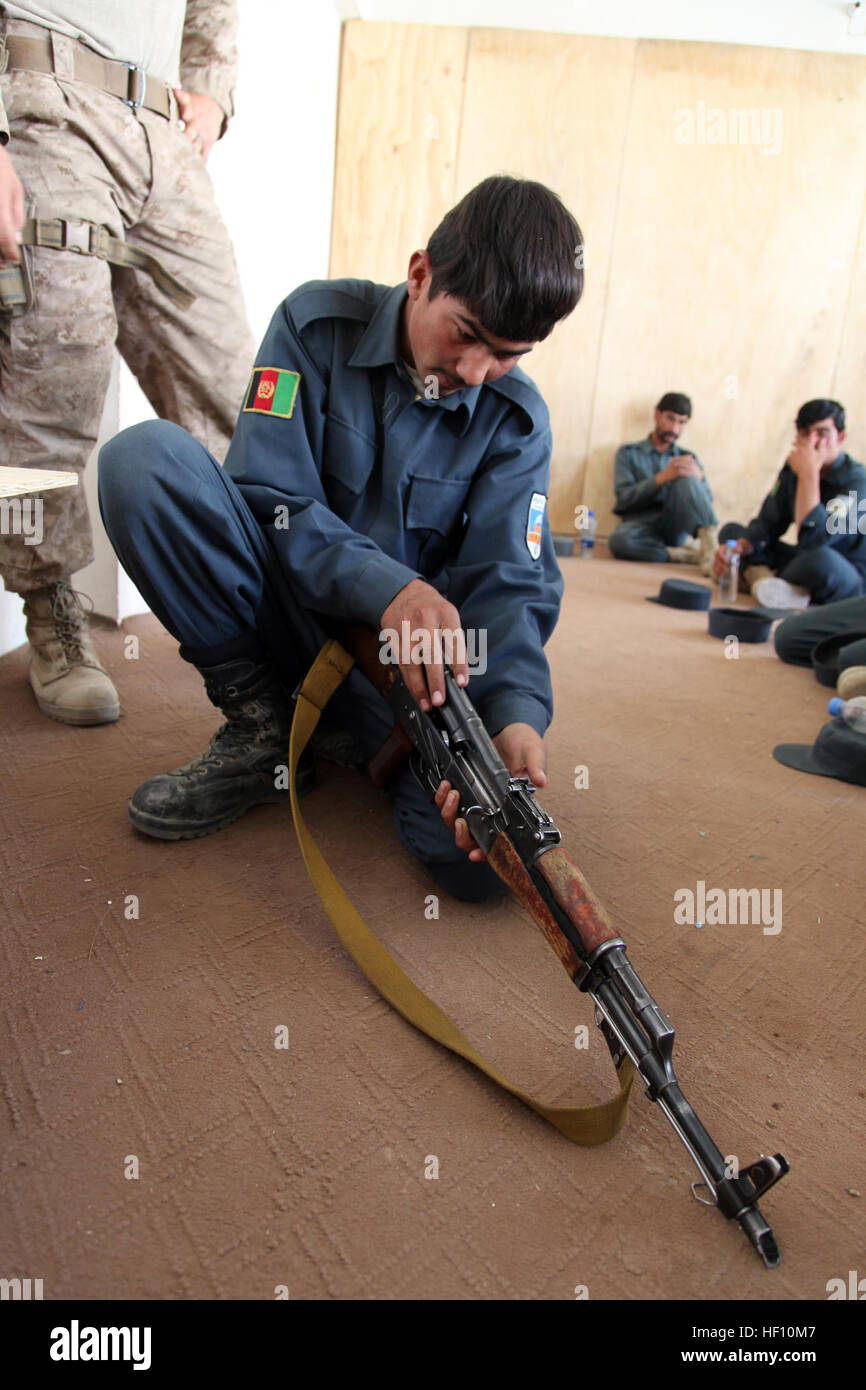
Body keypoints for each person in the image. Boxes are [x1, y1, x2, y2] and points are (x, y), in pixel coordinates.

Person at [97, 175, 583, 902]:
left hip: (402, 682)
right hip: (280, 624)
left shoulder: (517, 423)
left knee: (480, 866)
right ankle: (263, 727)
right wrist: (390, 588)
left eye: (508, 355)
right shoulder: (313, 326)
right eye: (468, 335)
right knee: (143, 464)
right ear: (420, 275)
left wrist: (514, 716)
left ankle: (351, 738)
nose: (476, 374)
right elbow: (268, 497)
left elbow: (512, 582)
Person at [0, 1, 254, 726]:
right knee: (51, 379)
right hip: (41, 95)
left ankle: (280, 610)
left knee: (233, 386)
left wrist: (212, 89)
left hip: (162, 126)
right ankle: (51, 609)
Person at [712, 399, 866, 610]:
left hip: (845, 573)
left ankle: (759, 577)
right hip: (803, 559)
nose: (812, 442)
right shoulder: (793, 467)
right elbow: (768, 521)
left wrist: (809, 475)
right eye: (805, 433)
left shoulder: (857, 481)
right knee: (732, 533)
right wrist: (744, 545)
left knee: (821, 560)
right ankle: (776, 586)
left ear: (840, 437)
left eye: (822, 433)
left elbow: (815, 538)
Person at [608, 392, 718, 571]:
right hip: (639, 526)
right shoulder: (628, 453)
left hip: (675, 525)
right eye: (670, 419)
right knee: (619, 541)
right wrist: (662, 478)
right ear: (657, 415)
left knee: (686, 475)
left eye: (681, 422)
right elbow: (623, 500)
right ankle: (677, 555)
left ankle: (711, 552)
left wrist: (699, 477)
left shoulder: (688, 459)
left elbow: (706, 503)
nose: (674, 428)